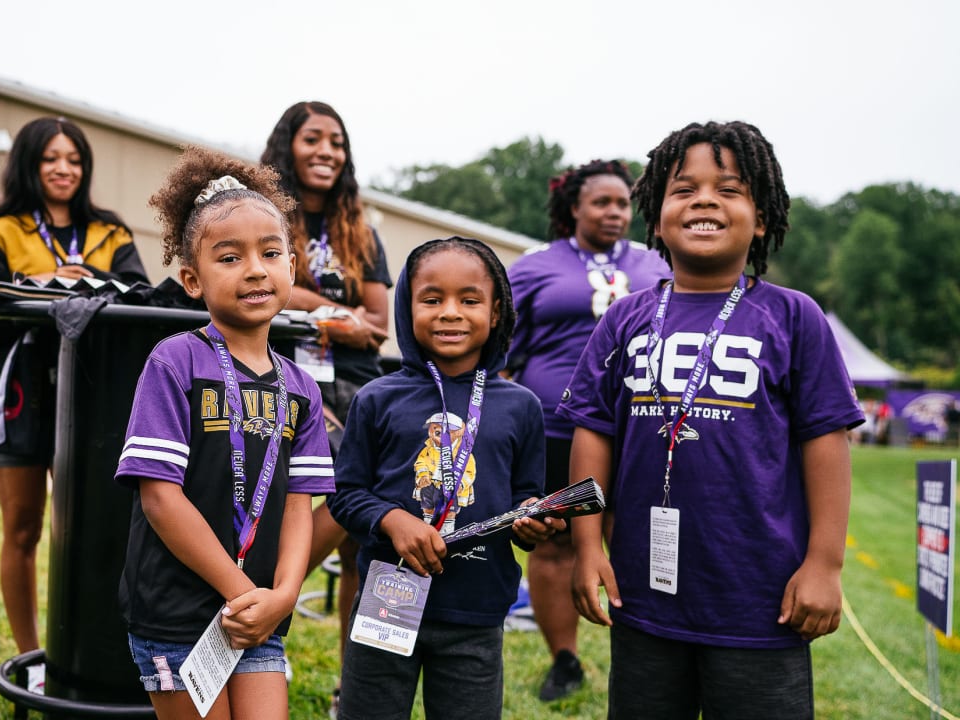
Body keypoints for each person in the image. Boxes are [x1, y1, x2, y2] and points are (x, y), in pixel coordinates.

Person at [562, 121, 863, 718]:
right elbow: (594, 433)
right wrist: (587, 543)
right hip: (643, 596)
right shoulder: (624, 319)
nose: (704, 199)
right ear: (656, 216)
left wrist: (824, 564)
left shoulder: (794, 316)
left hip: (761, 600)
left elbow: (825, 440)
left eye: (729, 189)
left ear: (764, 218)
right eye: (684, 188)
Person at [114, 146, 334, 720]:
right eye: (230, 257)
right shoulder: (174, 362)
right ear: (191, 278)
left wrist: (284, 595)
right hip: (177, 612)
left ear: (291, 266)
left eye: (270, 253)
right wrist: (241, 591)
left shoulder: (302, 389)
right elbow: (160, 498)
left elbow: (297, 509)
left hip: (260, 613)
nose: (255, 269)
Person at [328, 236, 564, 720]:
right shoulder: (376, 398)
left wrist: (532, 522)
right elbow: (346, 494)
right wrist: (391, 518)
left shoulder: (522, 407)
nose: (450, 312)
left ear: (496, 312)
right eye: (432, 299)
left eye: (469, 299)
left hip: (476, 613)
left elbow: (527, 494)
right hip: (386, 603)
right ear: (406, 307)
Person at [0, 115, 148, 690]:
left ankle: (98, 651)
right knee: (22, 528)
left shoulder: (112, 234)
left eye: (73, 159)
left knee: (96, 528)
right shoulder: (3, 231)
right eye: (51, 158)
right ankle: (36, 659)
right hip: (23, 392)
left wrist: (87, 277)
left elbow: (143, 302)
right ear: (29, 164)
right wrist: (43, 282)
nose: (63, 169)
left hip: (96, 397)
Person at [505, 159, 670, 701]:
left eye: (623, 203)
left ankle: (648, 654)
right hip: (557, 426)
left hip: (644, 427)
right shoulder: (535, 266)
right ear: (574, 207)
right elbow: (503, 348)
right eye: (601, 202)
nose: (614, 212)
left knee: (640, 538)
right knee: (554, 546)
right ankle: (565, 659)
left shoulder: (657, 262)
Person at [260, 100, 390, 717]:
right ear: (288, 145)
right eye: (313, 139)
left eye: (337, 142)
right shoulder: (264, 215)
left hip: (355, 389)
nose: (327, 152)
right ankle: (268, 604)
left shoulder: (359, 230)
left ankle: (353, 687)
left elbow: (380, 322)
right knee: (339, 504)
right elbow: (268, 289)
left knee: (357, 537)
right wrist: (333, 314)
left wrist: (315, 311)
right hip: (277, 380)